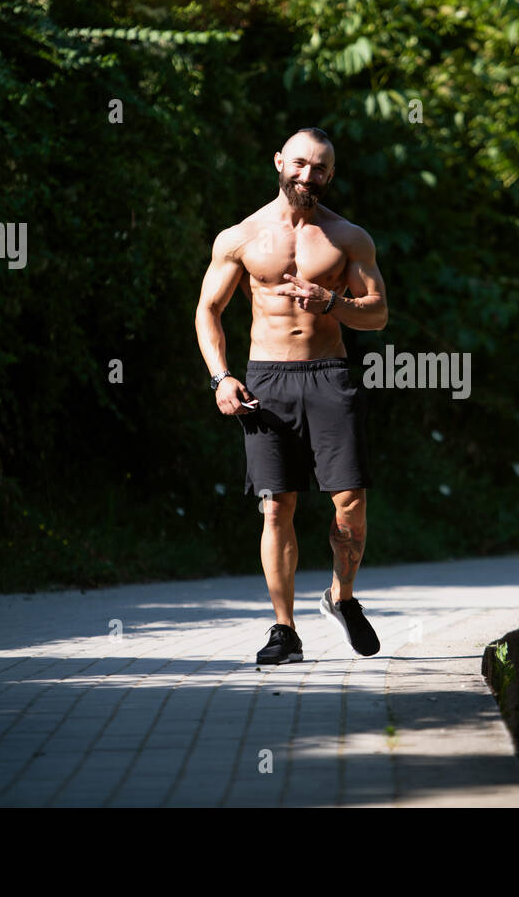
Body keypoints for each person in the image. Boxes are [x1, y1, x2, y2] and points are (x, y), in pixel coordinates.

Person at [195, 127, 388, 664]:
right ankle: (284, 631)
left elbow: (376, 313)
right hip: (267, 379)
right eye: (300, 163)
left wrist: (332, 303)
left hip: (330, 375)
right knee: (276, 507)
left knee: (350, 506)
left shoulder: (349, 238)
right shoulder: (241, 237)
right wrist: (220, 376)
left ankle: (341, 597)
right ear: (279, 161)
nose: (308, 176)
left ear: (331, 174)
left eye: (320, 168)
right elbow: (208, 309)